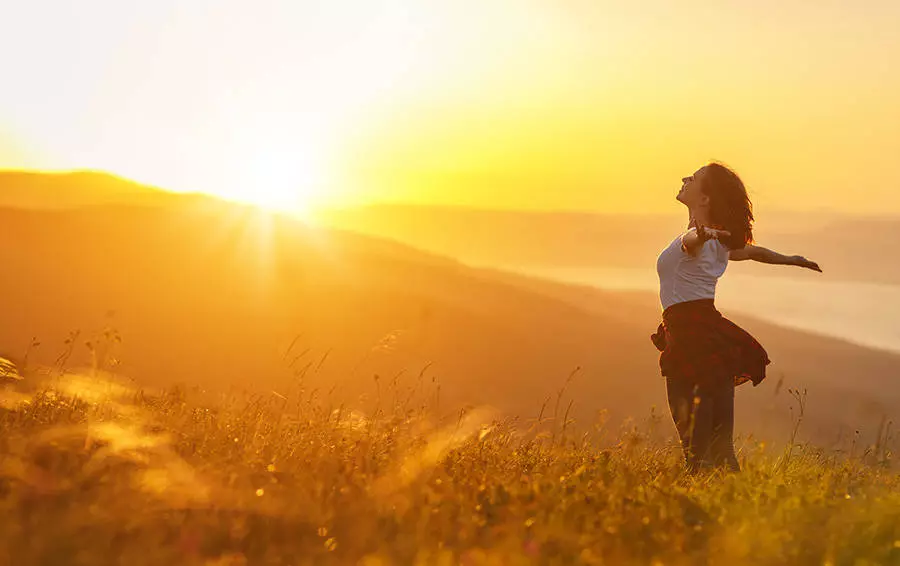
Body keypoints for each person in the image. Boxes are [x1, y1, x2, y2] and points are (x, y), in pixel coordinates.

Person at [651, 162, 822, 473]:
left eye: (694, 177)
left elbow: (693, 242)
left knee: (697, 450)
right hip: (705, 335)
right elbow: (755, 252)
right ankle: (732, 504)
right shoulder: (716, 242)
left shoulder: (698, 239)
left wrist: (701, 235)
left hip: (691, 338)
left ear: (704, 199)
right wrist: (792, 260)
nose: (685, 178)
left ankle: (713, 511)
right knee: (718, 447)